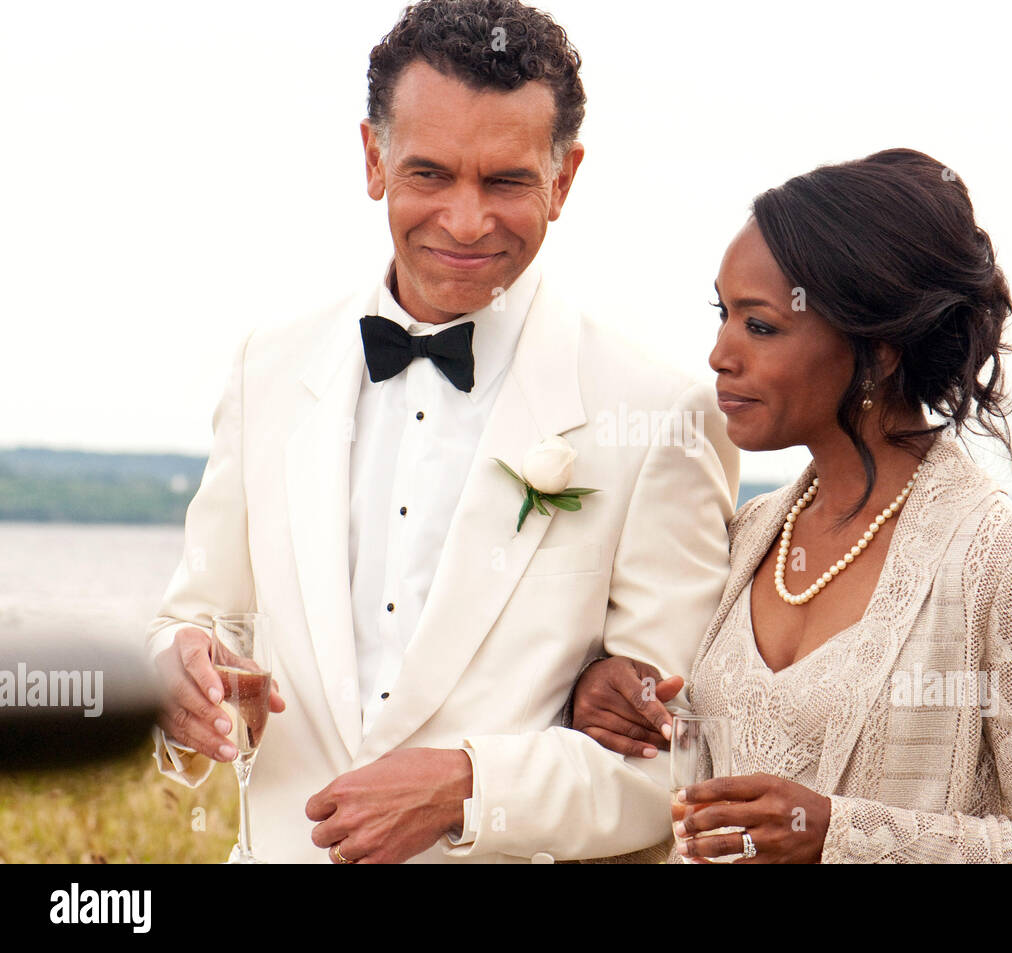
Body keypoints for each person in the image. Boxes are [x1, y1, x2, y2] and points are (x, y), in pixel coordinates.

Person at [146, 0, 738, 864]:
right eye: (430, 175)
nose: (466, 222)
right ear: (373, 159)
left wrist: (471, 787)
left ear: (564, 180)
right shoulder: (263, 369)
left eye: (505, 181)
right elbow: (195, 615)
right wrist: (179, 671)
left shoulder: (662, 412)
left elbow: (676, 763)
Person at [571, 148, 1012, 863]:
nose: (719, 353)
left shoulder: (1010, 576)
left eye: (761, 325)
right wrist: (611, 692)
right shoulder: (746, 538)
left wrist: (838, 834)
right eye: (723, 315)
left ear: (878, 348)